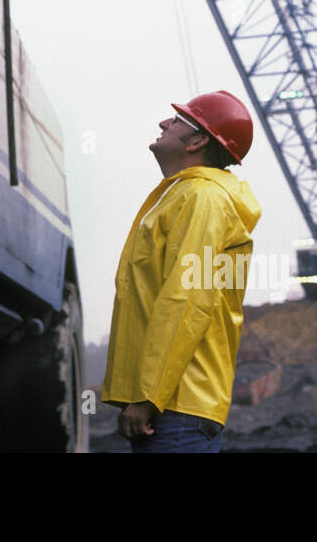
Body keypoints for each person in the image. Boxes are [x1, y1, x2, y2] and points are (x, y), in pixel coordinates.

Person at [101, 90, 262, 453]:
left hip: (176, 406)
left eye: (176, 121)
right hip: (175, 405)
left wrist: (148, 398)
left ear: (198, 140)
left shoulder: (202, 199)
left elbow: (187, 301)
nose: (164, 123)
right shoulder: (186, 196)